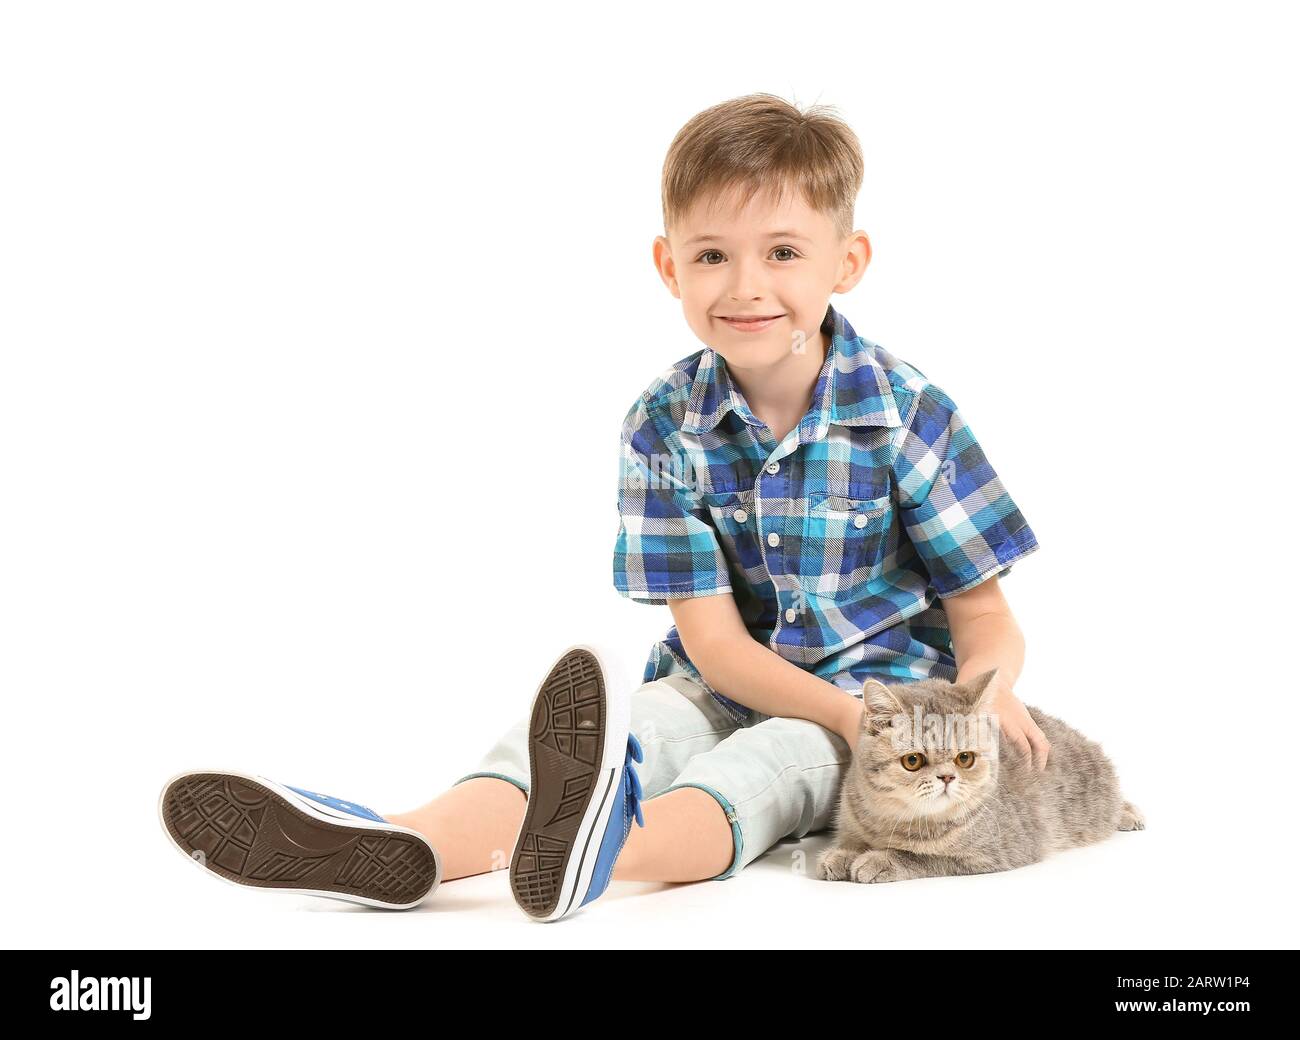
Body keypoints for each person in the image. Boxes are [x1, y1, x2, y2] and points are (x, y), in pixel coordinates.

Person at [158, 92, 1048, 922]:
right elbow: (716, 647)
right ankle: (410, 841)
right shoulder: (664, 423)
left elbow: (983, 611)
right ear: (669, 266)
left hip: (876, 711)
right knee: (638, 728)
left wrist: (979, 699)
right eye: (711, 255)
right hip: (721, 680)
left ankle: (604, 849)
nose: (745, 286)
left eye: (782, 252)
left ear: (845, 262)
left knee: (766, 770)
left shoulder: (908, 413)